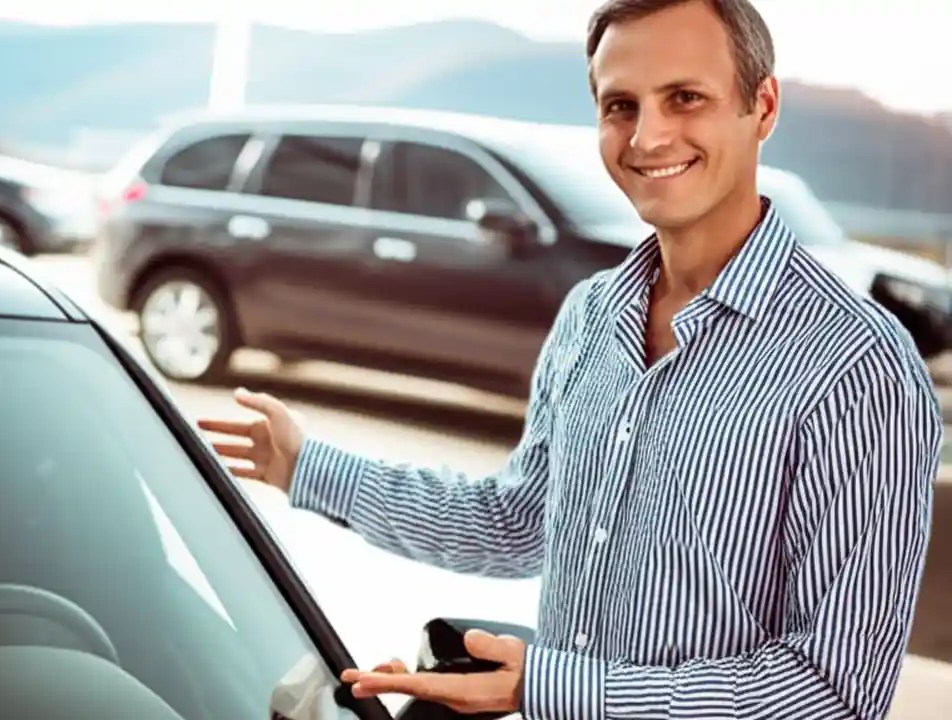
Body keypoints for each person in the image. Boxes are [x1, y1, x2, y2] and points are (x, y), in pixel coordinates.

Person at [198, 0, 944, 717]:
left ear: (764, 107)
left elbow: (831, 692)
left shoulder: (860, 369)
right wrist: (309, 467)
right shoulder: (592, 315)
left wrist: (550, 688)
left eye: (685, 98)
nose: (648, 138)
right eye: (621, 106)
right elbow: (515, 521)